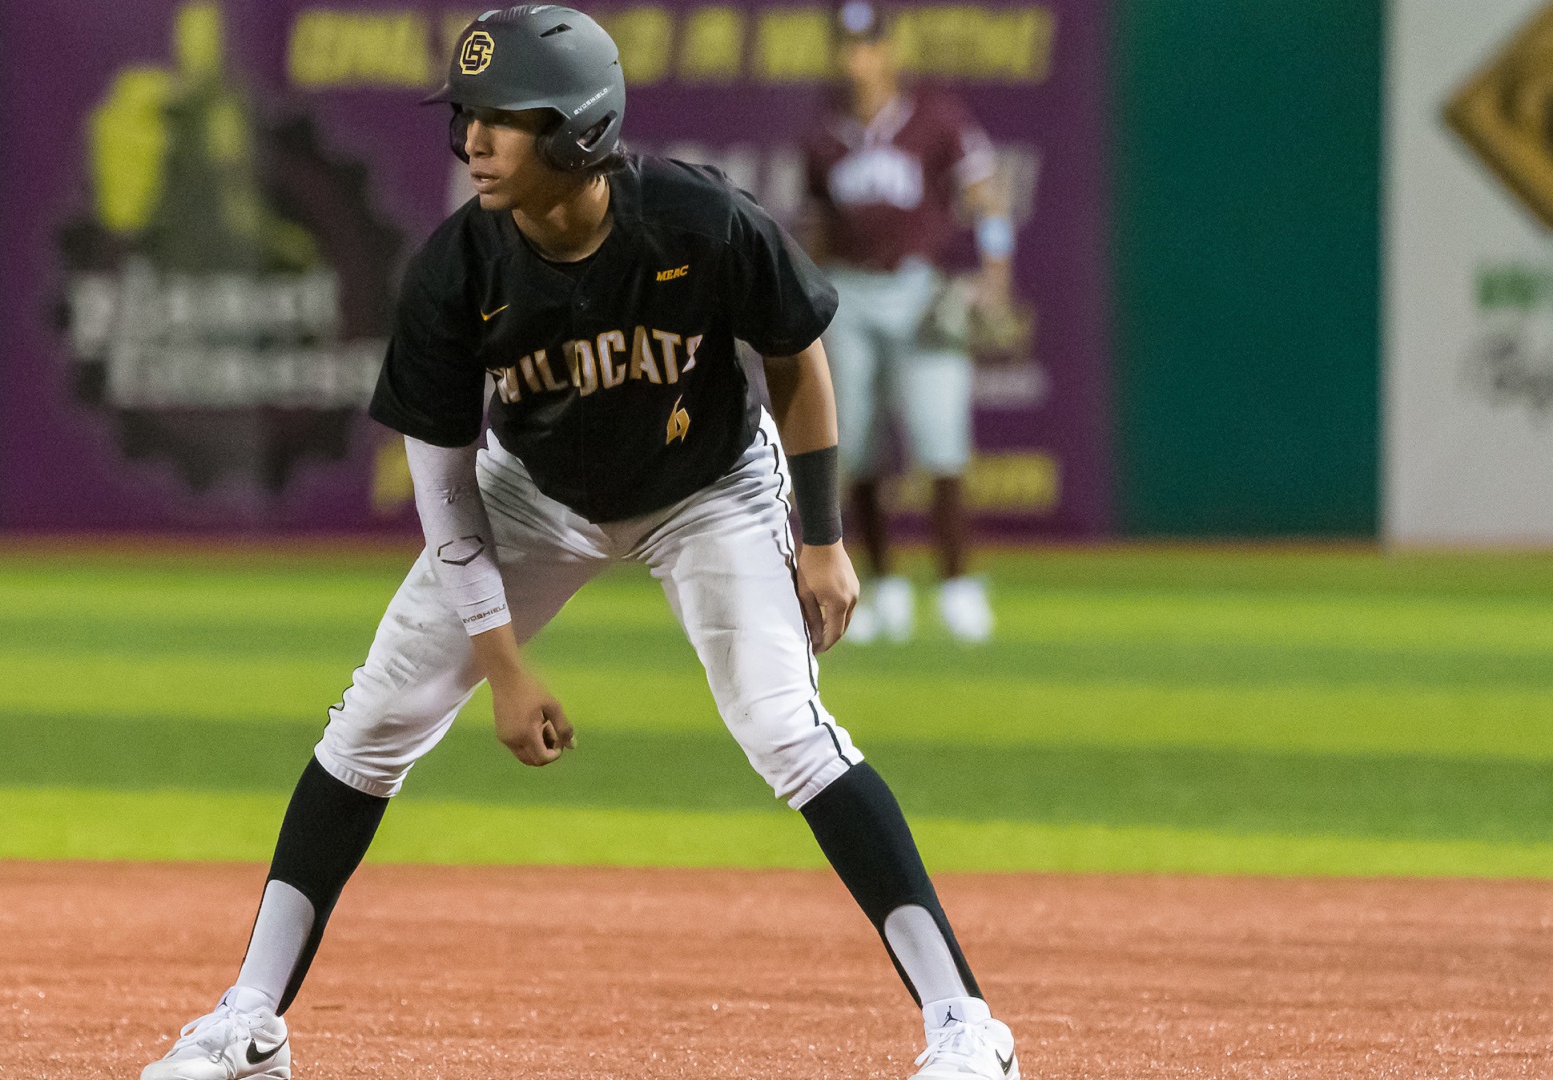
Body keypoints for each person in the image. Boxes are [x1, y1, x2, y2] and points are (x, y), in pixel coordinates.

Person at [141, 7, 1020, 1079]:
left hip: (709, 489)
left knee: (787, 728)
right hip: (531, 496)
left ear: (581, 130)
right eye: (465, 116)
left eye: (502, 118)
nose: (472, 140)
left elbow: (794, 357)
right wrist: (502, 667)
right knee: (371, 726)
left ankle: (966, 1026)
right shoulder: (456, 270)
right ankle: (248, 1022)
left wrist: (825, 541)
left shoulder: (695, 220)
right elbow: (447, 495)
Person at [802, 0, 1017, 644]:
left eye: (867, 44)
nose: (856, 57)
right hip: (850, 292)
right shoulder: (822, 132)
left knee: (939, 437)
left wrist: (997, 268)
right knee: (858, 443)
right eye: (846, 45)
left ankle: (956, 584)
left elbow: (985, 193)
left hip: (922, 291)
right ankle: (882, 584)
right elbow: (816, 228)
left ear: (890, 49)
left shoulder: (935, 118)